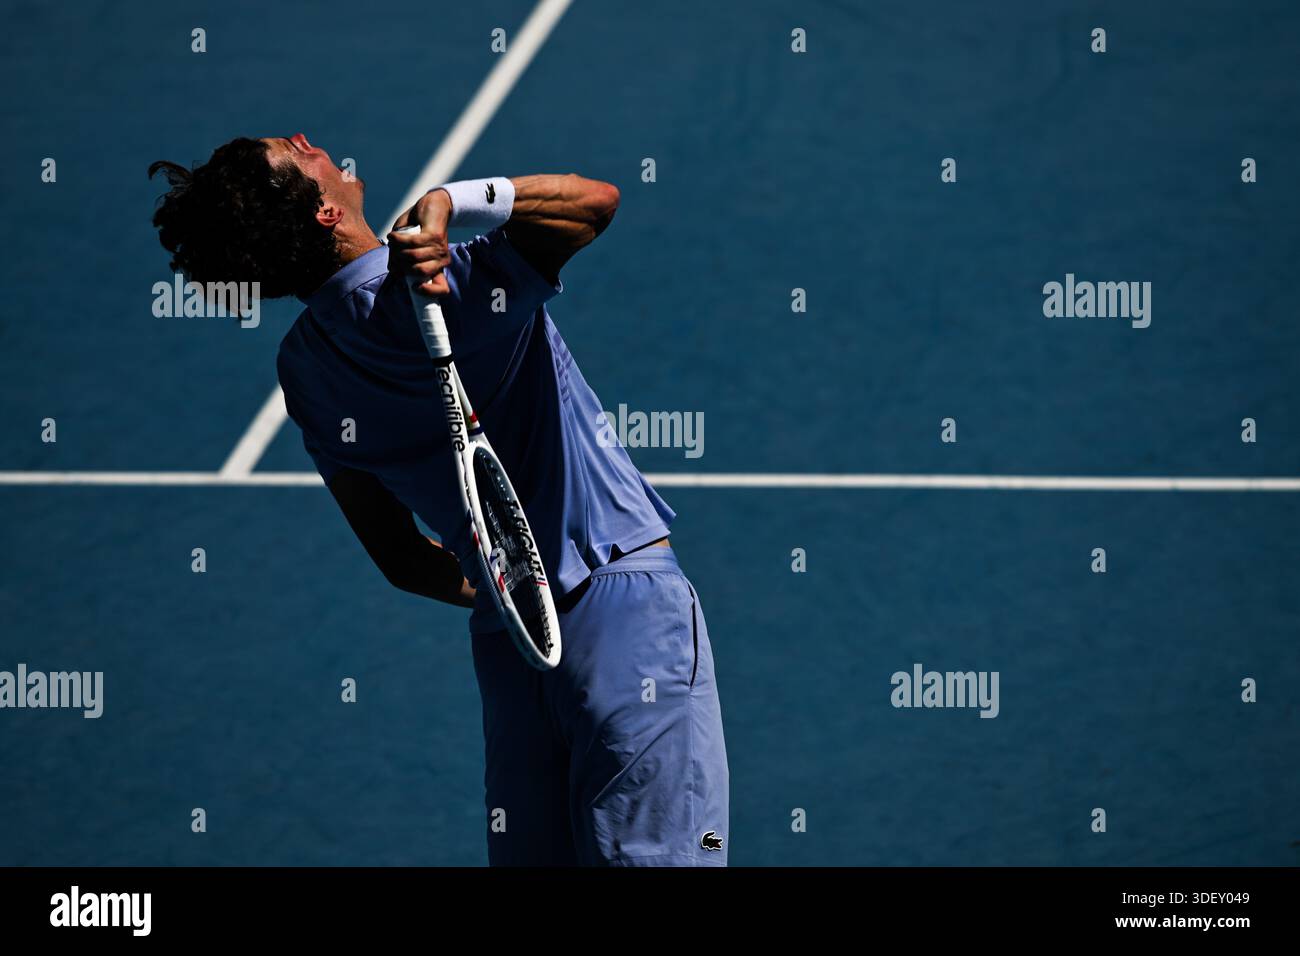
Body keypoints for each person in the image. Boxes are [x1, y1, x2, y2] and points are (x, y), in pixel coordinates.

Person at [148, 133, 729, 865]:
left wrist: (517, 599)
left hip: (511, 647)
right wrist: (455, 200)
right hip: (623, 614)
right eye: (294, 153)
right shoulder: (439, 290)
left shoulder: (305, 370)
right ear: (325, 213)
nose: (307, 141)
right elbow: (594, 203)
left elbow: (403, 561)